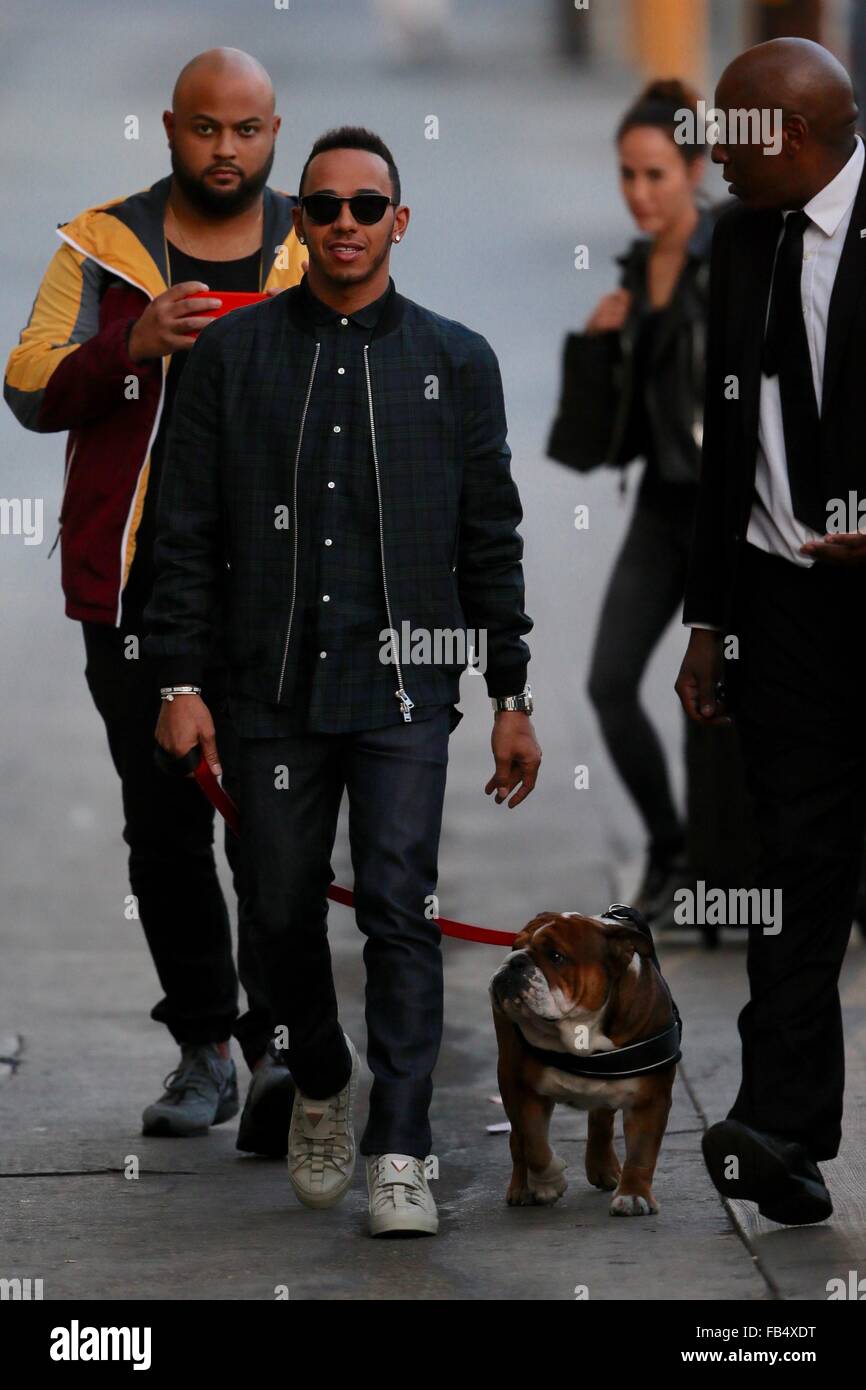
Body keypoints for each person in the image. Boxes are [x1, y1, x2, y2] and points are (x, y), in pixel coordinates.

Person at [145, 127, 540, 1237]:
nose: (346, 224)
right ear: (299, 223)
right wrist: (177, 679)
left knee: (398, 908)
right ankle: (317, 1074)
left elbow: (490, 536)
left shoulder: (456, 361)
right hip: (268, 688)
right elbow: (181, 530)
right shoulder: (231, 357)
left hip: (407, 693)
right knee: (274, 909)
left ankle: (400, 1146)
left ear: (397, 222)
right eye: (323, 207)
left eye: (368, 206)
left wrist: (510, 693)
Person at [4, 48, 305, 1150]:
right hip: (129, 594)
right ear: (170, 128)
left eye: (248, 131)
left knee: (275, 821)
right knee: (166, 823)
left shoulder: (312, 242)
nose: (225, 151)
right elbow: (28, 385)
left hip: (273, 591)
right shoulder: (99, 245)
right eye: (205, 130)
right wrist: (128, 344)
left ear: (274, 133)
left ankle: (282, 1044)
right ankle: (205, 1045)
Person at [676, 38, 866, 1225]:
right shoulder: (741, 236)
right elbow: (722, 440)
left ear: (789, 136)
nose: (709, 159)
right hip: (781, 606)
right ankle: (779, 1125)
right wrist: (708, 620)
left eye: (727, 138)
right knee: (793, 869)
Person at [549, 80, 726, 921]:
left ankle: (728, 870)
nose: (640, 193)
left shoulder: (735, 257)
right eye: (627, 175)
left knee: (715, 707)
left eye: (657, 174)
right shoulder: (632, 270)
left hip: (733, 513)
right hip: (661, 505)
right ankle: (671, 848)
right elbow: (588, 449)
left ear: (695, 168)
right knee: (609, 682)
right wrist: (595, 351)